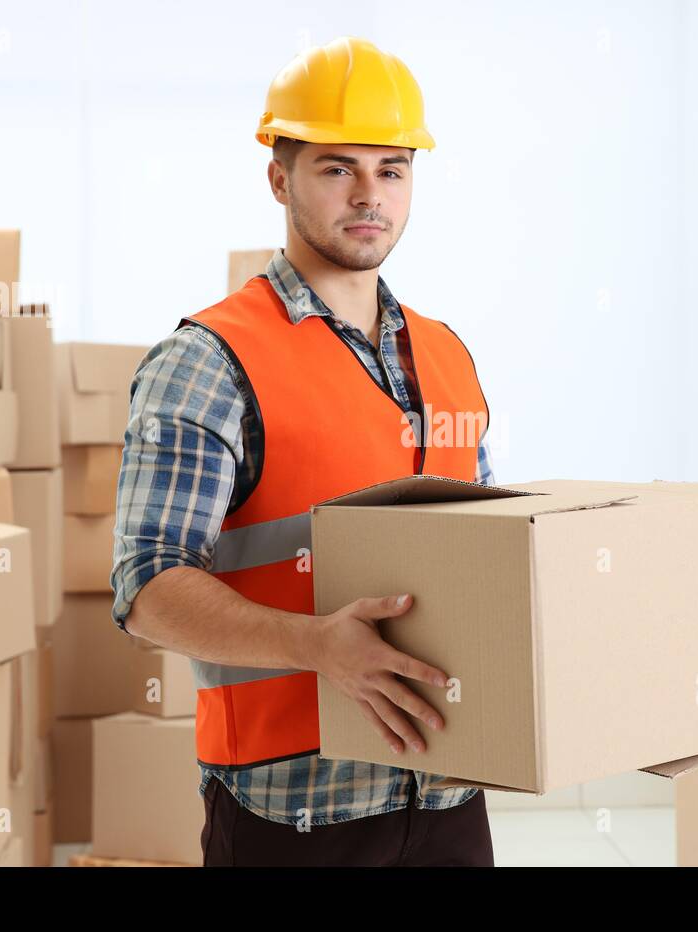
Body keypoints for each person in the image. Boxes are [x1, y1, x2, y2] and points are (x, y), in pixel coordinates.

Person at [110, 36, 496, 866]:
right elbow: (145, 588)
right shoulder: (209, 360)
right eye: (336, 168)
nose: (369, 195)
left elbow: (494, 557)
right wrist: (315, 645)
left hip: (451, 791)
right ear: (280, 177)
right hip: (293, 809)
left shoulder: (448, 355)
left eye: (391, 169)